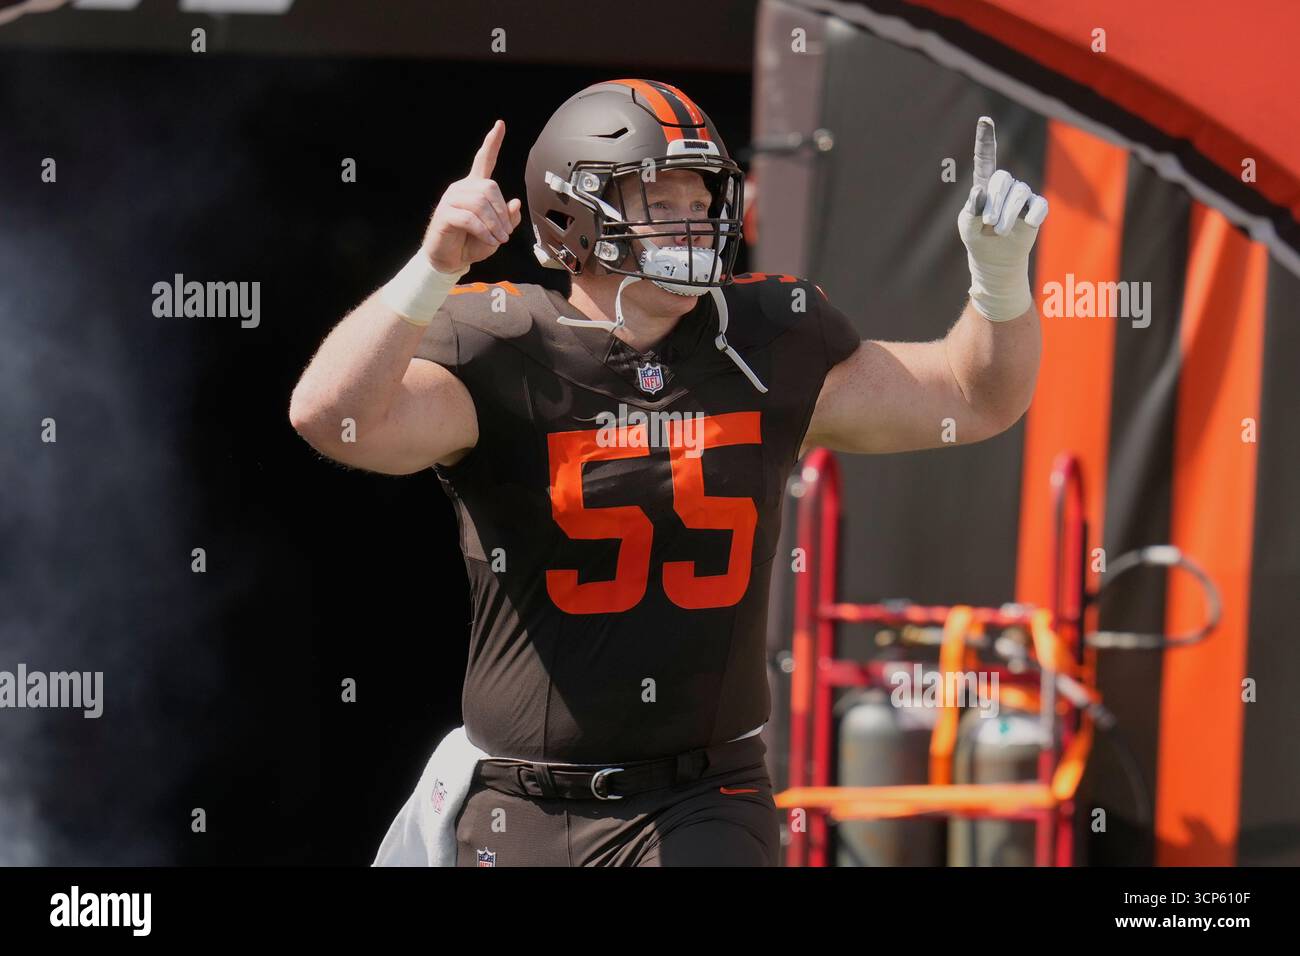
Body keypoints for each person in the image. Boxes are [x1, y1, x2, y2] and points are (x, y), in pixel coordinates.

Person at [288, 78, 1048, 866]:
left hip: (703, 799)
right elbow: (333, 418)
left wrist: (999, 278)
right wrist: (432, 267)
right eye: (661, 198)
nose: (696, 221)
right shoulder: (504, 344)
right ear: (572, 212)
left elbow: (975, 396)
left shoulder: (767, 341)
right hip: (520, 806)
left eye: (703, 195)